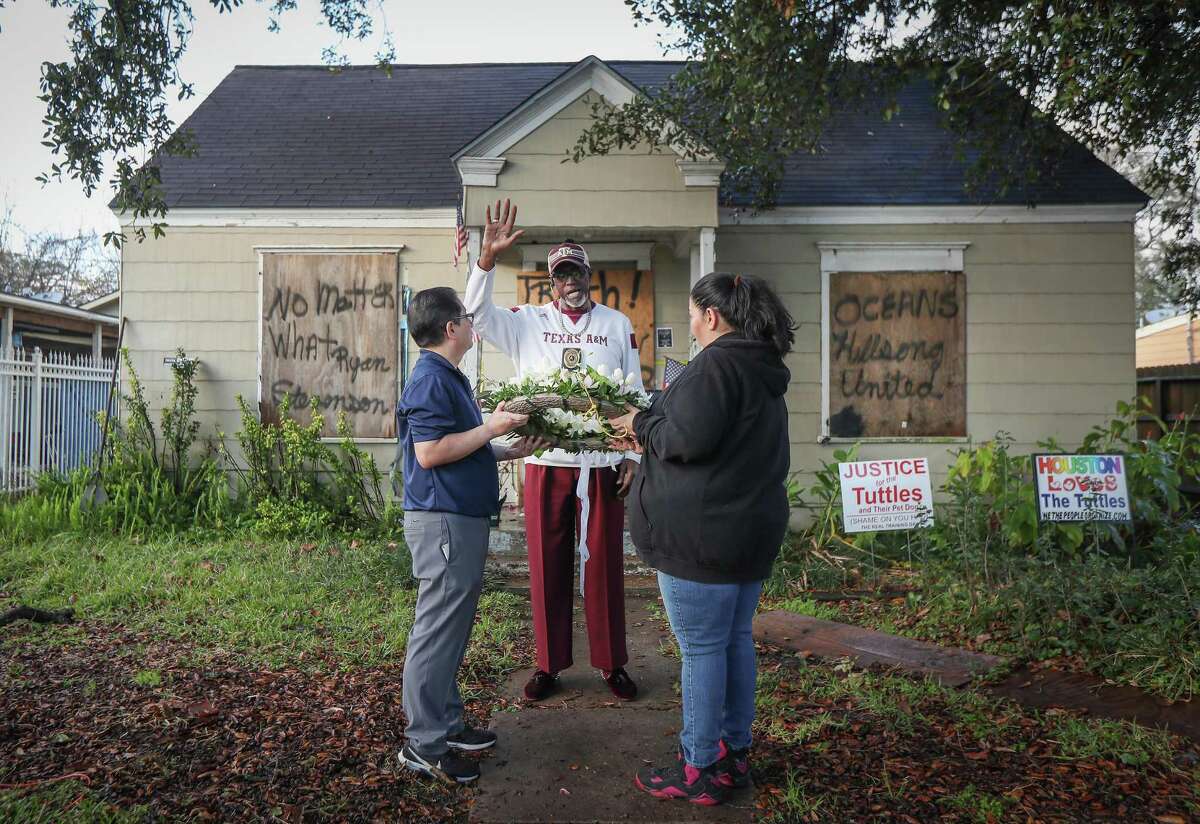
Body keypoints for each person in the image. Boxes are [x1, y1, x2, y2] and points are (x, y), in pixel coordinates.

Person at [609, 272, 796, 805]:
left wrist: (639, 423)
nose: (691, 324)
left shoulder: (716, 363)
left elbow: (684, 438)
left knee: (702, 649)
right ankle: (734, 753)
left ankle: (699, 767)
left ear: (712, 316)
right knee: (733, 640)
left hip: (705, 537)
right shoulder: (760, 365)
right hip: (747, 530)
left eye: (694, 314)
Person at [464, 199, 643, 702]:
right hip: (547, 461)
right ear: (551, 280)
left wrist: (632, 453)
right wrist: (486, 261)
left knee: (605, 563)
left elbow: (634, 387)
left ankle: (611, 663)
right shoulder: (526, 320)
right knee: (547, 562)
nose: (571, 282)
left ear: (588, 275)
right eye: (562, 275)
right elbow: (475, 313)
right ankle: (549, 664)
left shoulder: (615, 322)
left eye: (577, 273)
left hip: (603, 462)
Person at [396, 286, 548, 784]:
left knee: (453, 626)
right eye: (465, 316)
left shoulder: (448, 377)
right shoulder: (429, 381)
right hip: (442, 520)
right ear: (450, 328)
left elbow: (460, 447)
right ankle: (423, 743)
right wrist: (491, 427)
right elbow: (430, 453)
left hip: (458, 516)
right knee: (436, 628)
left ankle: (447, 722)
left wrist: (509, 449)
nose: (471, 322)